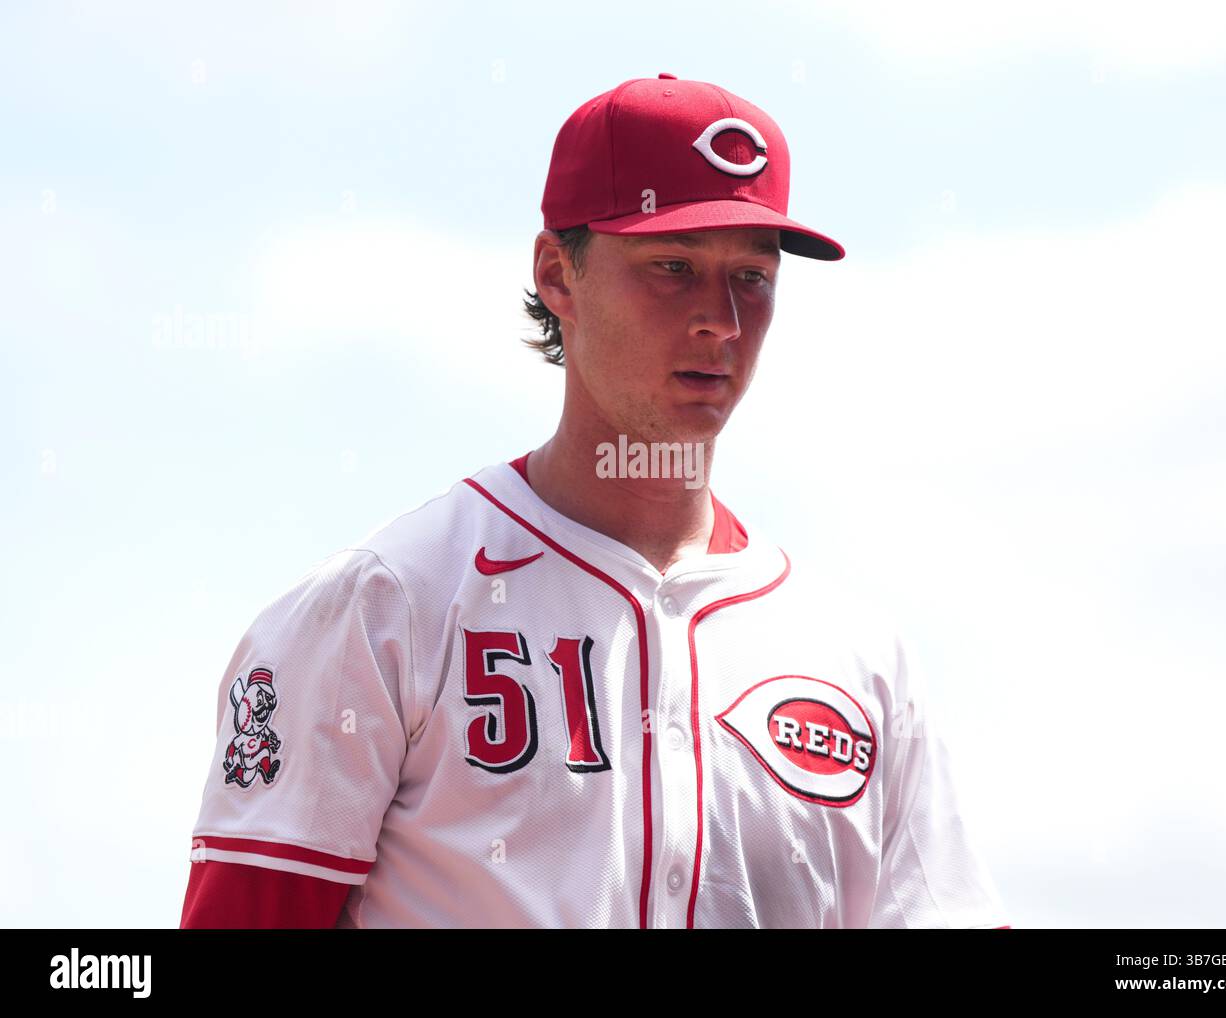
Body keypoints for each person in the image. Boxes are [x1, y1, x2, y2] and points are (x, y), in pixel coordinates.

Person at [181, 73, 1010, 929]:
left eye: (752, 278)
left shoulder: (860, 660)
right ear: (557, 275)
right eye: (673, 268)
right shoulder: (384, 605)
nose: (720, 320)